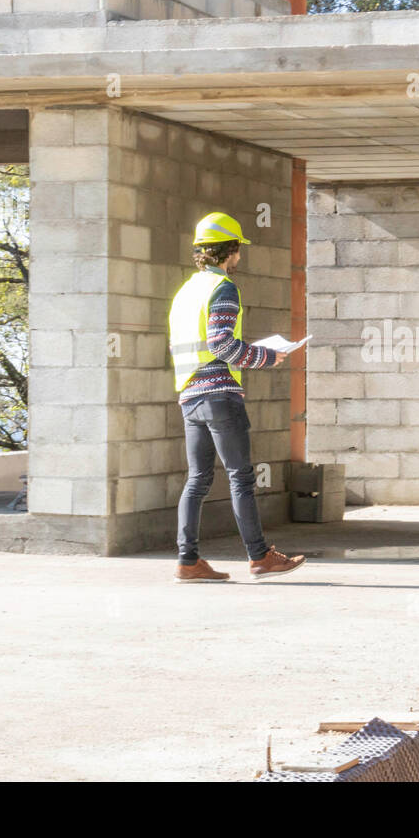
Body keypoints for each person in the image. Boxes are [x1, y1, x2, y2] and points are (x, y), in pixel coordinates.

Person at [168, 211, 306, 582]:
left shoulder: (185, 292)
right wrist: (267, 356)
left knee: (197, 479)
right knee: (240, 478)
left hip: (190, 396)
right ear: (231, 251)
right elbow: (222, 344)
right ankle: (261, 557)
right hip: (220, 395)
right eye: (239, 249)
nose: (240, 256)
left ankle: (188, 561)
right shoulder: (223, 288)